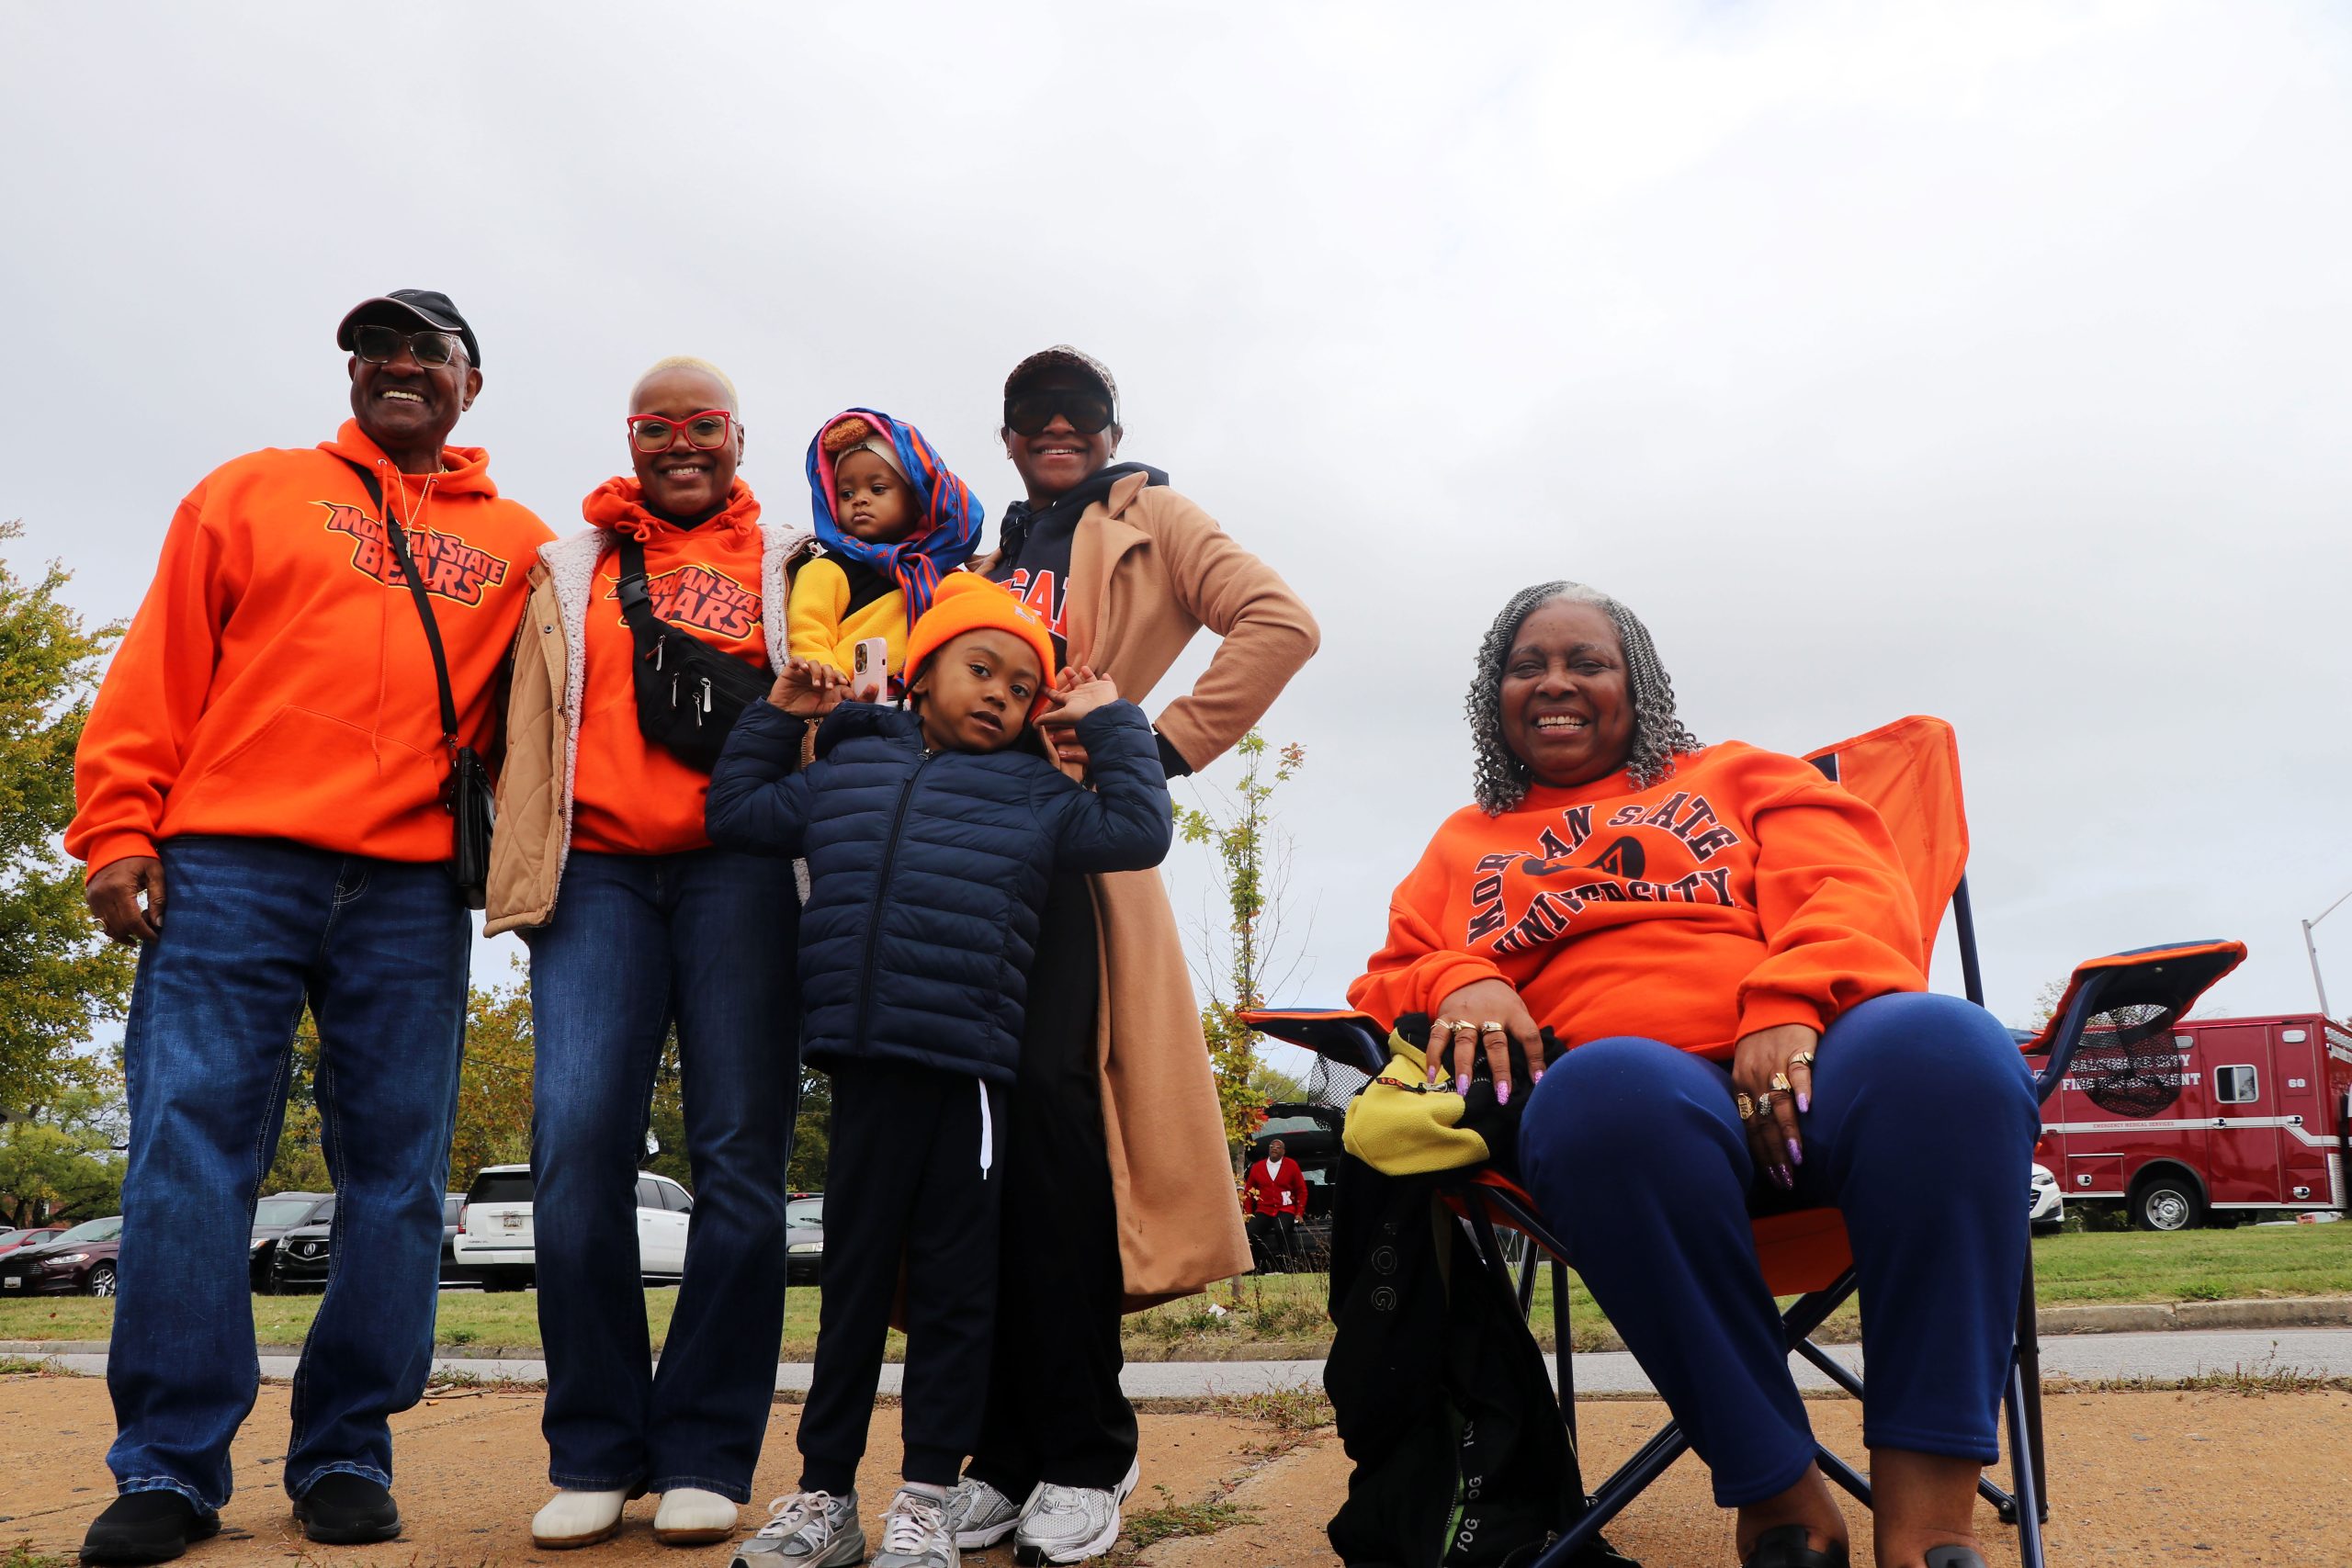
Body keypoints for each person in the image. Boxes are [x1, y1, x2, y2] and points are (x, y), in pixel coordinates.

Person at [1348, 581, 2040, 1568]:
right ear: (1490, 694)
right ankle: (1783, 1501)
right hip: (1640, 1136)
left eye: (1586, 662)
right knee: (1602, 1095)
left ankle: (1929, 1529)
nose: (1554, 683)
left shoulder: (1742, 776)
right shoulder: (1466, 844)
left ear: (1639, 684)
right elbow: (1390, 976)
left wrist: (1786, 1005)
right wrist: (1463, 978)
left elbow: (1856, 891)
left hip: (1824, 1079)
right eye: (1525, 664)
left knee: (1952, 1050)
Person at [66, 290, 552, 1563]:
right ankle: (169, 1464)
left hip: (404, 890)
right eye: (373, 351)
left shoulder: (521, 544)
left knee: (396, 1177)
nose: (397, 367)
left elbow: (551, 717)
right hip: (228, 861)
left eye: (426, 352)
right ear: (349, 374)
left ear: (470, 384)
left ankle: (346, 1446)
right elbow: (160, 662)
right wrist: (120, 824)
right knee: (188, 1149)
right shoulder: (252, 491)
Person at [705, 573, 1175, 1568]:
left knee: (957, 1295)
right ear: (919, 675)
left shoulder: (1039, 796)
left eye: (1022, 686)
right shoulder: (843, 773)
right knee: (855, 1289)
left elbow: (1138, 832)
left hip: (968, 1082)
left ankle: (923, 1501)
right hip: (863, 1070)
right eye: (980, 669)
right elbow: (737, 813)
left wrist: (1111, 721)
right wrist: (776, 715)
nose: (1000, 694)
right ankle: (824, 1498)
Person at [943, 346, 1318, 1565]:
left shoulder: (1153, 514)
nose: (1059, 428)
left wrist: (1148, 746)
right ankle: (996, 1454)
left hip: (1072, 846)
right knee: (972, 1154)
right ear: (1007, 437)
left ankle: (1084, 1449)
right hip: (962, 861)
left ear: (1110, 429)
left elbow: (1281, 620)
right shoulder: (984, 551)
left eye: (1081, 413)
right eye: (1034, 416)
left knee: (1059, 1139)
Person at [481, 357, 806, 1551]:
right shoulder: (573, 565)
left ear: (736, 437)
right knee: (575, 1147)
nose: (682, 444)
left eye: (704, 426)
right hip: (597, 875)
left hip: (746, 872)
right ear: (632, 437)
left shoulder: (788, 565)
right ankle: (596, 1448)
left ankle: (708, 1451)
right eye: (658, 427)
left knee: (739, 1158)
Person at [787, 408, 983, 690]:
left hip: (925, 706)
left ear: (916, 501)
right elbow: (808, 627)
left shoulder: (943, 576)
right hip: (847, 697)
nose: (860, 500)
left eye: (877, 489)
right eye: (846, 493)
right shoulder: (827, 568)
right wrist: (823, 671)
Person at [1242, 1137, 1307, 1269]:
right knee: (1250, 1232)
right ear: (1268, 1150)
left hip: (1285, 1209)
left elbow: (1302, 1190)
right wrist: (1248, 1213)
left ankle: (1289, 1266)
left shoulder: (1291, 1165)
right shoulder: (1257, 1167)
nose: (1275, 1148)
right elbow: (1248, 1192)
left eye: (1278, 1147)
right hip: (1264, 1210)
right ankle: (1256, 1267)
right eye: (1272, 1146)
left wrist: (1299, 1213)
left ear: (1283, 1152)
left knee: (1281, 1229)